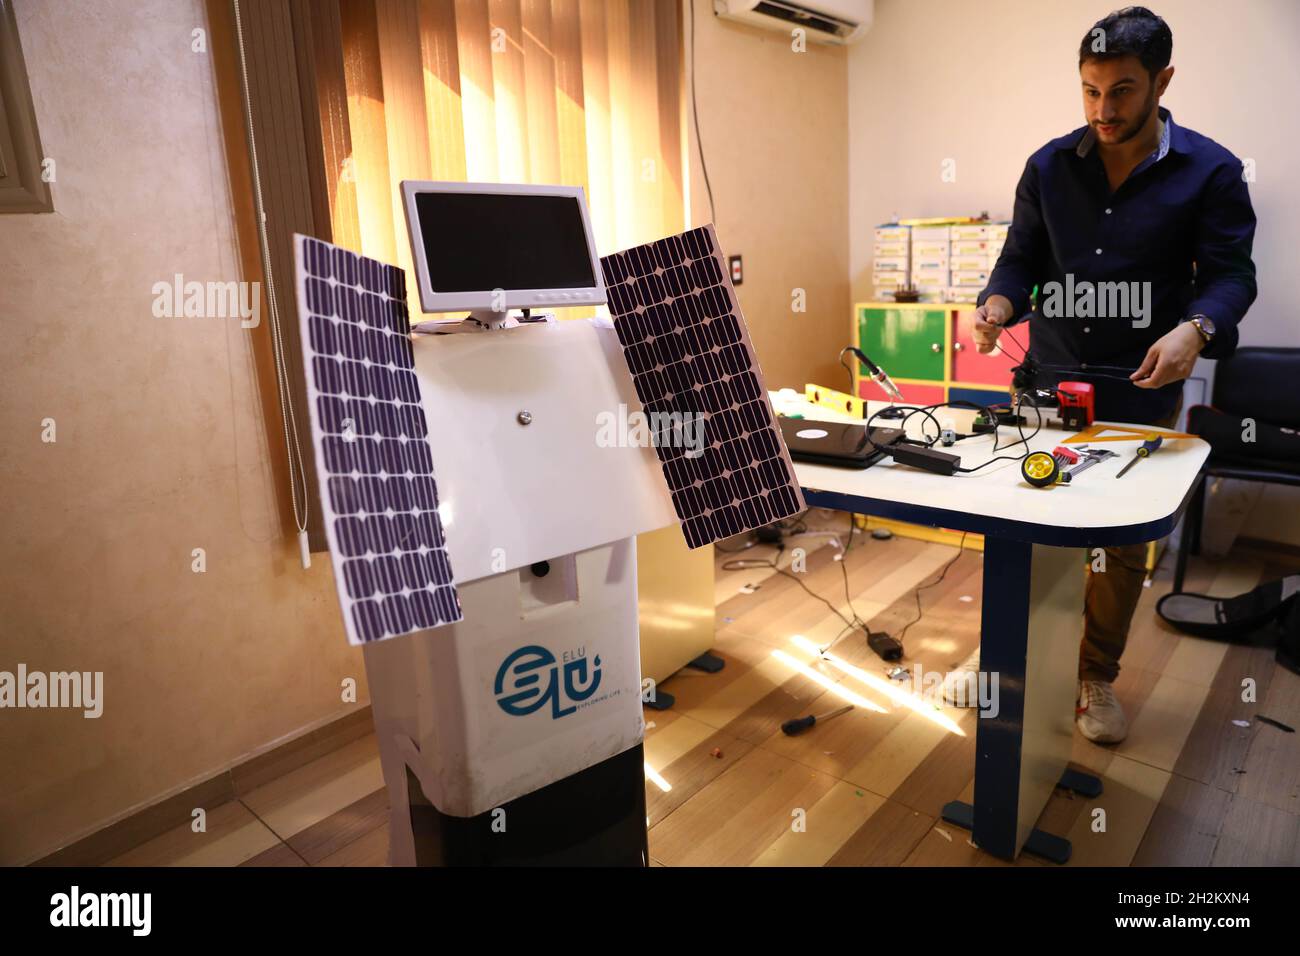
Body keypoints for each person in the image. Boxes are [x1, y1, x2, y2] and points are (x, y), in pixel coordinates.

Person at [944, 6, 1257, 742]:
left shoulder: (1212, 171)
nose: (1102, 109)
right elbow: (1021, 259)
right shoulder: (1050, 165)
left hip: (1141, 387)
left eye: (1120, 91)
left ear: (1162, 82)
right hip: (1048, 377)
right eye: (1089, 90)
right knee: (1021, 520)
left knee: (1115, 546)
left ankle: (1095, 679)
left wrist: (1197, 328)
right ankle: (1004, 663)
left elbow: (1232, 276)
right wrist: (996, 303)